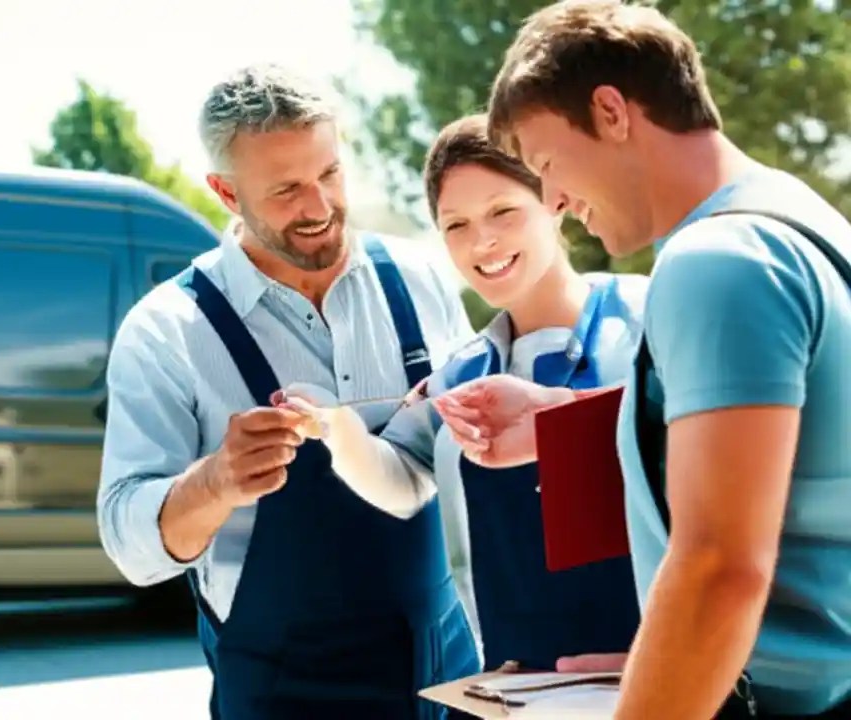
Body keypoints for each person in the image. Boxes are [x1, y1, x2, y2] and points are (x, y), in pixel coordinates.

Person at [431, 1, 851, 718]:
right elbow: (800, 440)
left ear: (611, 111)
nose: (555, 197)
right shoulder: (793, 216)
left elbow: (719, 570)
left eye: (547, 164)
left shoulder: (713, 261)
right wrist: (561, 422)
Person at [96, 64, 480, 719]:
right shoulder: (167, 332)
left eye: (329, 173)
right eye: (286, 189)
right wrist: (215, 481)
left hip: (446, 677)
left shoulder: (422, 280)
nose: (320, 206)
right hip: (286, 693)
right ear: (224, 191)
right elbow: (129, 544)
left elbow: (469, 470)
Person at [277, 113, 647, 675]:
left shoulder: (651, 319)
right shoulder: (461, 374)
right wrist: (338, 432)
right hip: (518, 687)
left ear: (557, 201)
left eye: (502, 211)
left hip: (660, 678)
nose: (483, 241)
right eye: (456, 225)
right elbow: (403, 479)